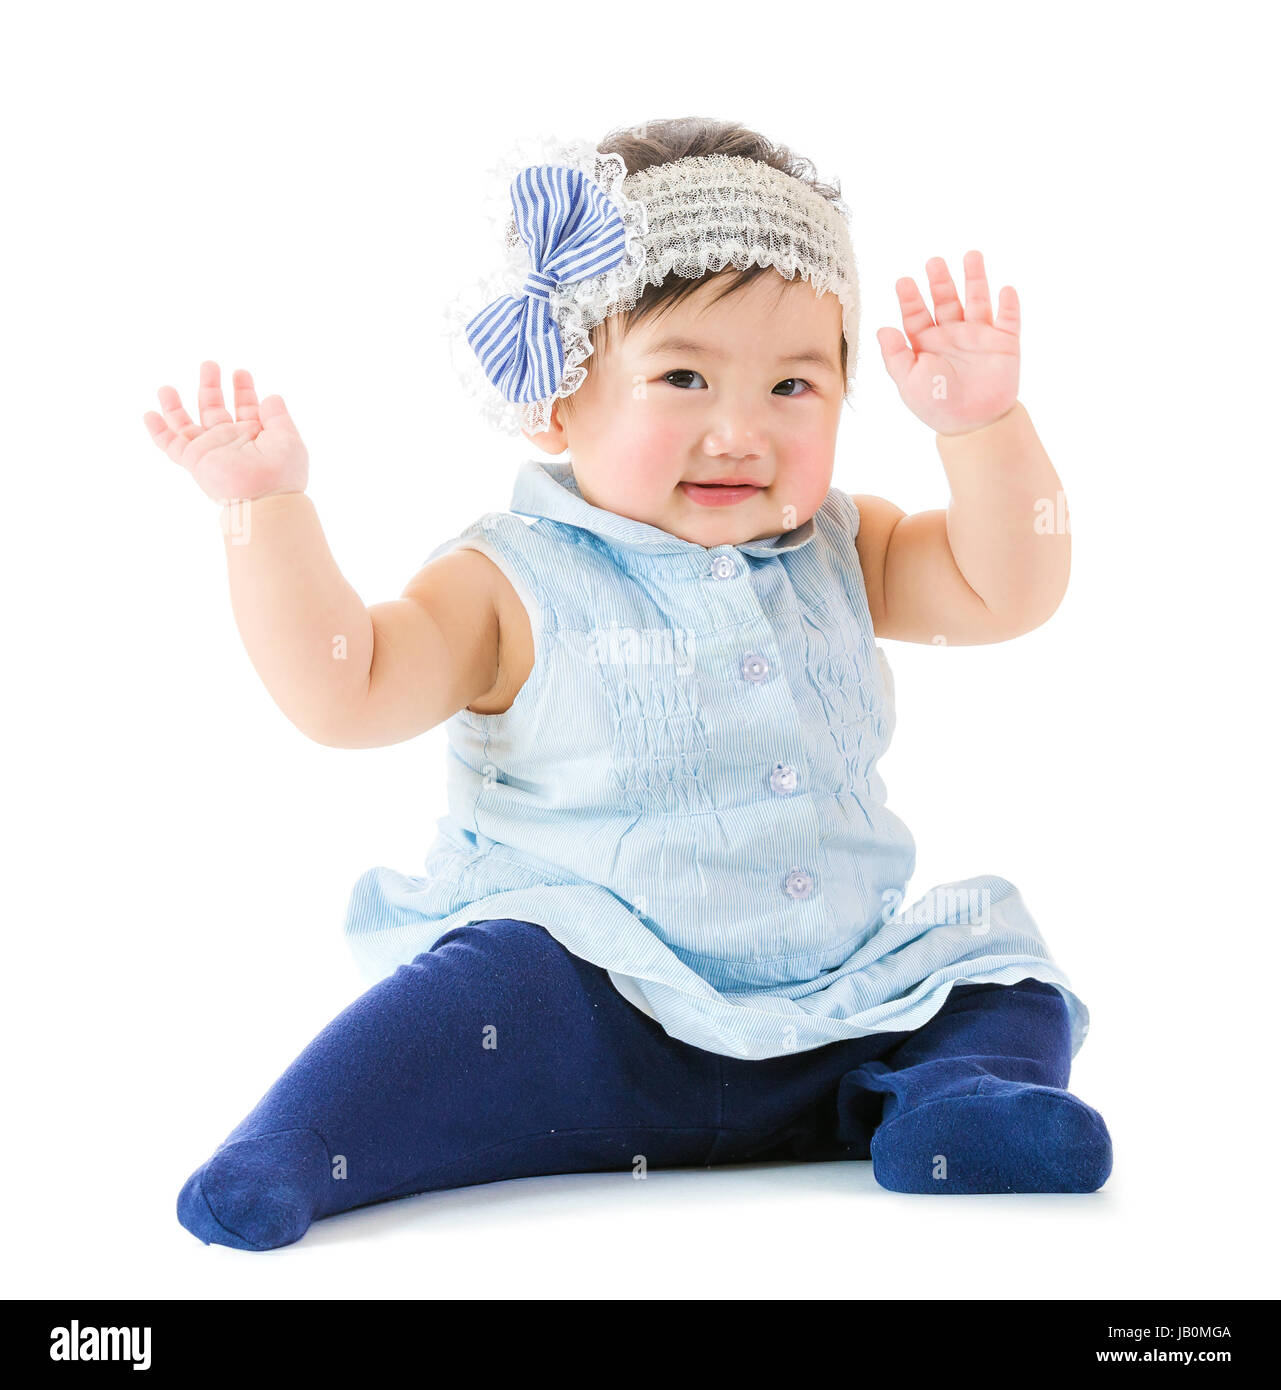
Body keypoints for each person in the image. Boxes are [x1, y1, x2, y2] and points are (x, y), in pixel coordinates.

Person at [144, 116, 1111, 1252]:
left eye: (796, 385)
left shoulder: (846, 547)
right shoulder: (509, 579)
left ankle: (950, 1106)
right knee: (479, 990)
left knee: (995, 960)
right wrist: (267, 515)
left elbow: (1007, 591)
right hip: (594, 1020)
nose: (740, 430)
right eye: (684, 376)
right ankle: (300, 1142)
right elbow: (345, 692)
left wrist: (984, 427)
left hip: (840, 1007)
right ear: (559, 399)